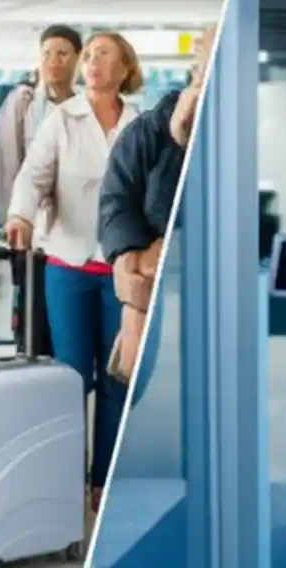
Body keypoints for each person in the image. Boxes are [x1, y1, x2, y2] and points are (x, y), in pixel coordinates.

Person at [4, 31, 143, 512]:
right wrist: (21, 216)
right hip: (69, 264)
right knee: (72, 376)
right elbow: (33, 175)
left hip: (122, 269)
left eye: (104, 54)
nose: (92, 62)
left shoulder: (140, 125)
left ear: (124, 68)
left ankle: (105, 480)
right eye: (89, 55)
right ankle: (64, 479)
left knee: (118, 378)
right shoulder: (62, 119)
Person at [97, 26, 212, 384]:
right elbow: (120, 203)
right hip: (146, 292)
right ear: (196, 71)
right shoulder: (148, 133)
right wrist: (179, 142)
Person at [0, 24, 83, 356]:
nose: (53, 61)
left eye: (63, 53)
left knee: (67, 317)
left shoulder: (85, 106)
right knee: (33, 312)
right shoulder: (23, 103)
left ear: (77, 59)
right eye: (47, 53)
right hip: (31, 228)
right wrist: (14, 217)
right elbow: (7, 165)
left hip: (73, 229)